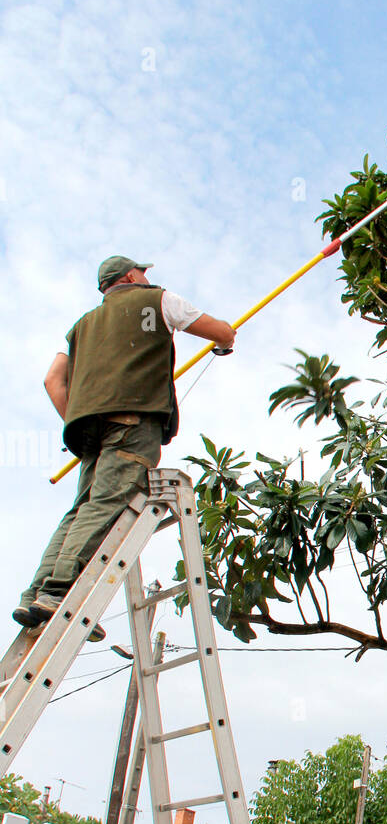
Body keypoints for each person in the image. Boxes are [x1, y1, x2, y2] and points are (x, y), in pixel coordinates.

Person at [13, 256, 235, 641]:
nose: (149, 277)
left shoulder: (80, 327)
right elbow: (221, 331)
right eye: (144, 272)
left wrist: (80, 418)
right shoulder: (158, 300)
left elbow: (53, 380)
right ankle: (58, 593)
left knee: (80, 509)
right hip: (133, 424)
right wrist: (226, 342)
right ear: (133, 276)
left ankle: (36, 592)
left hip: (87, 430)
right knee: (105, 505)